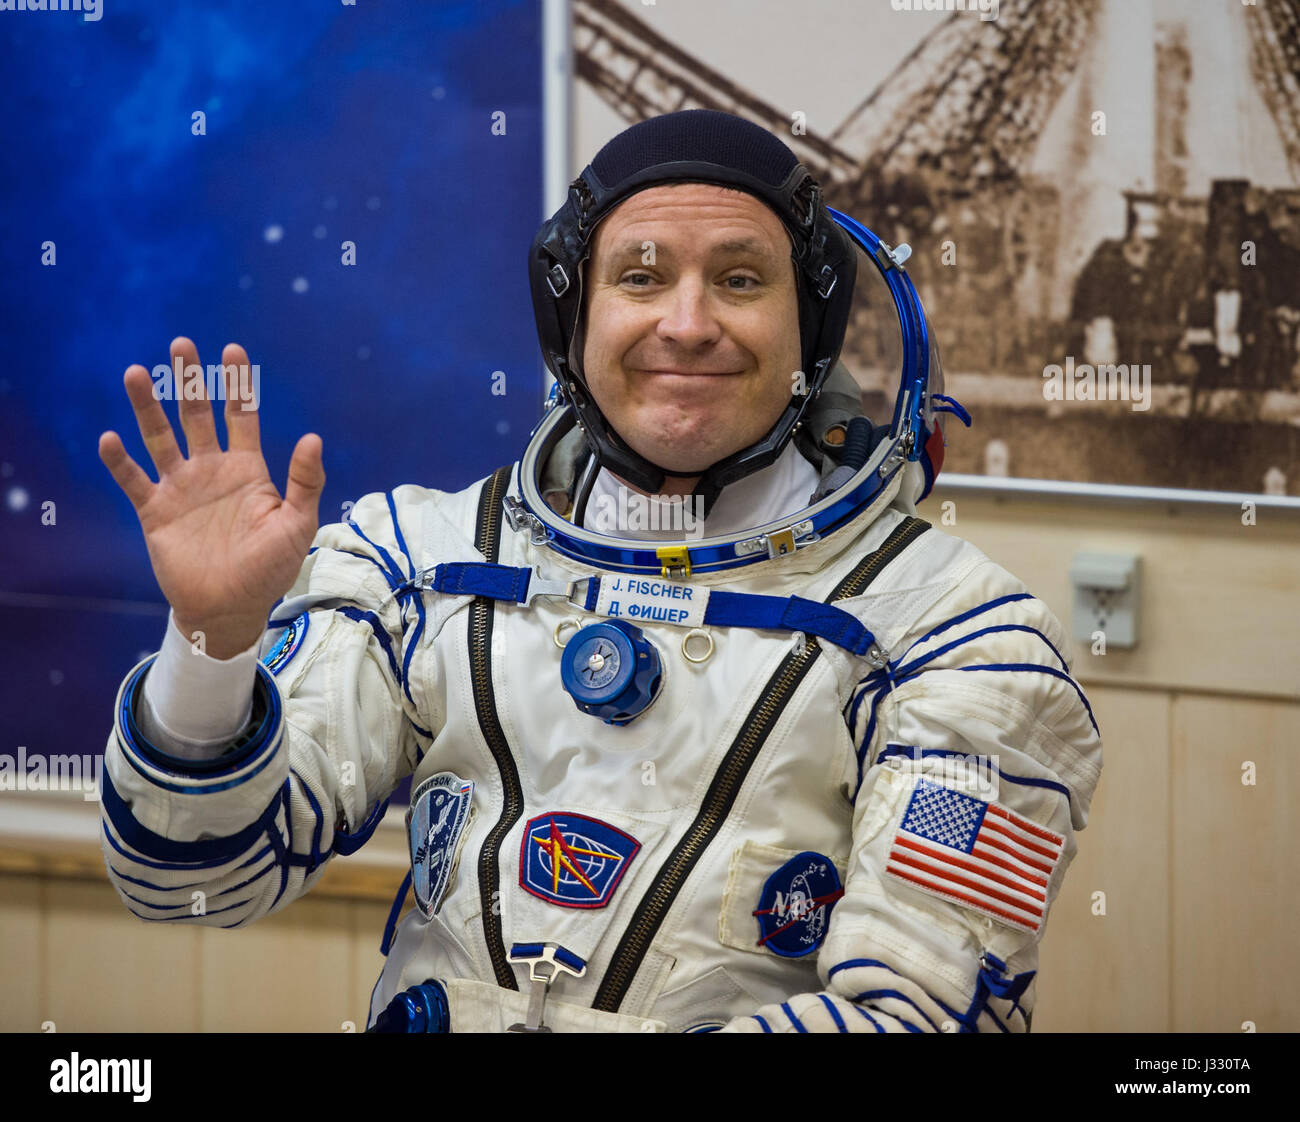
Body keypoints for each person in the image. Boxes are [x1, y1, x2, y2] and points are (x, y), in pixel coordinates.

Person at [97, 109, 1102, 1033]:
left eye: (742, 280)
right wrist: (213, 648)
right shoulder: (419, 565)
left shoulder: (953, 639)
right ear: (571, 321)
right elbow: (193, 880)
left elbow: (918, 1019)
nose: (688, 322)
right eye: (640, 276)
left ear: (814, 330)